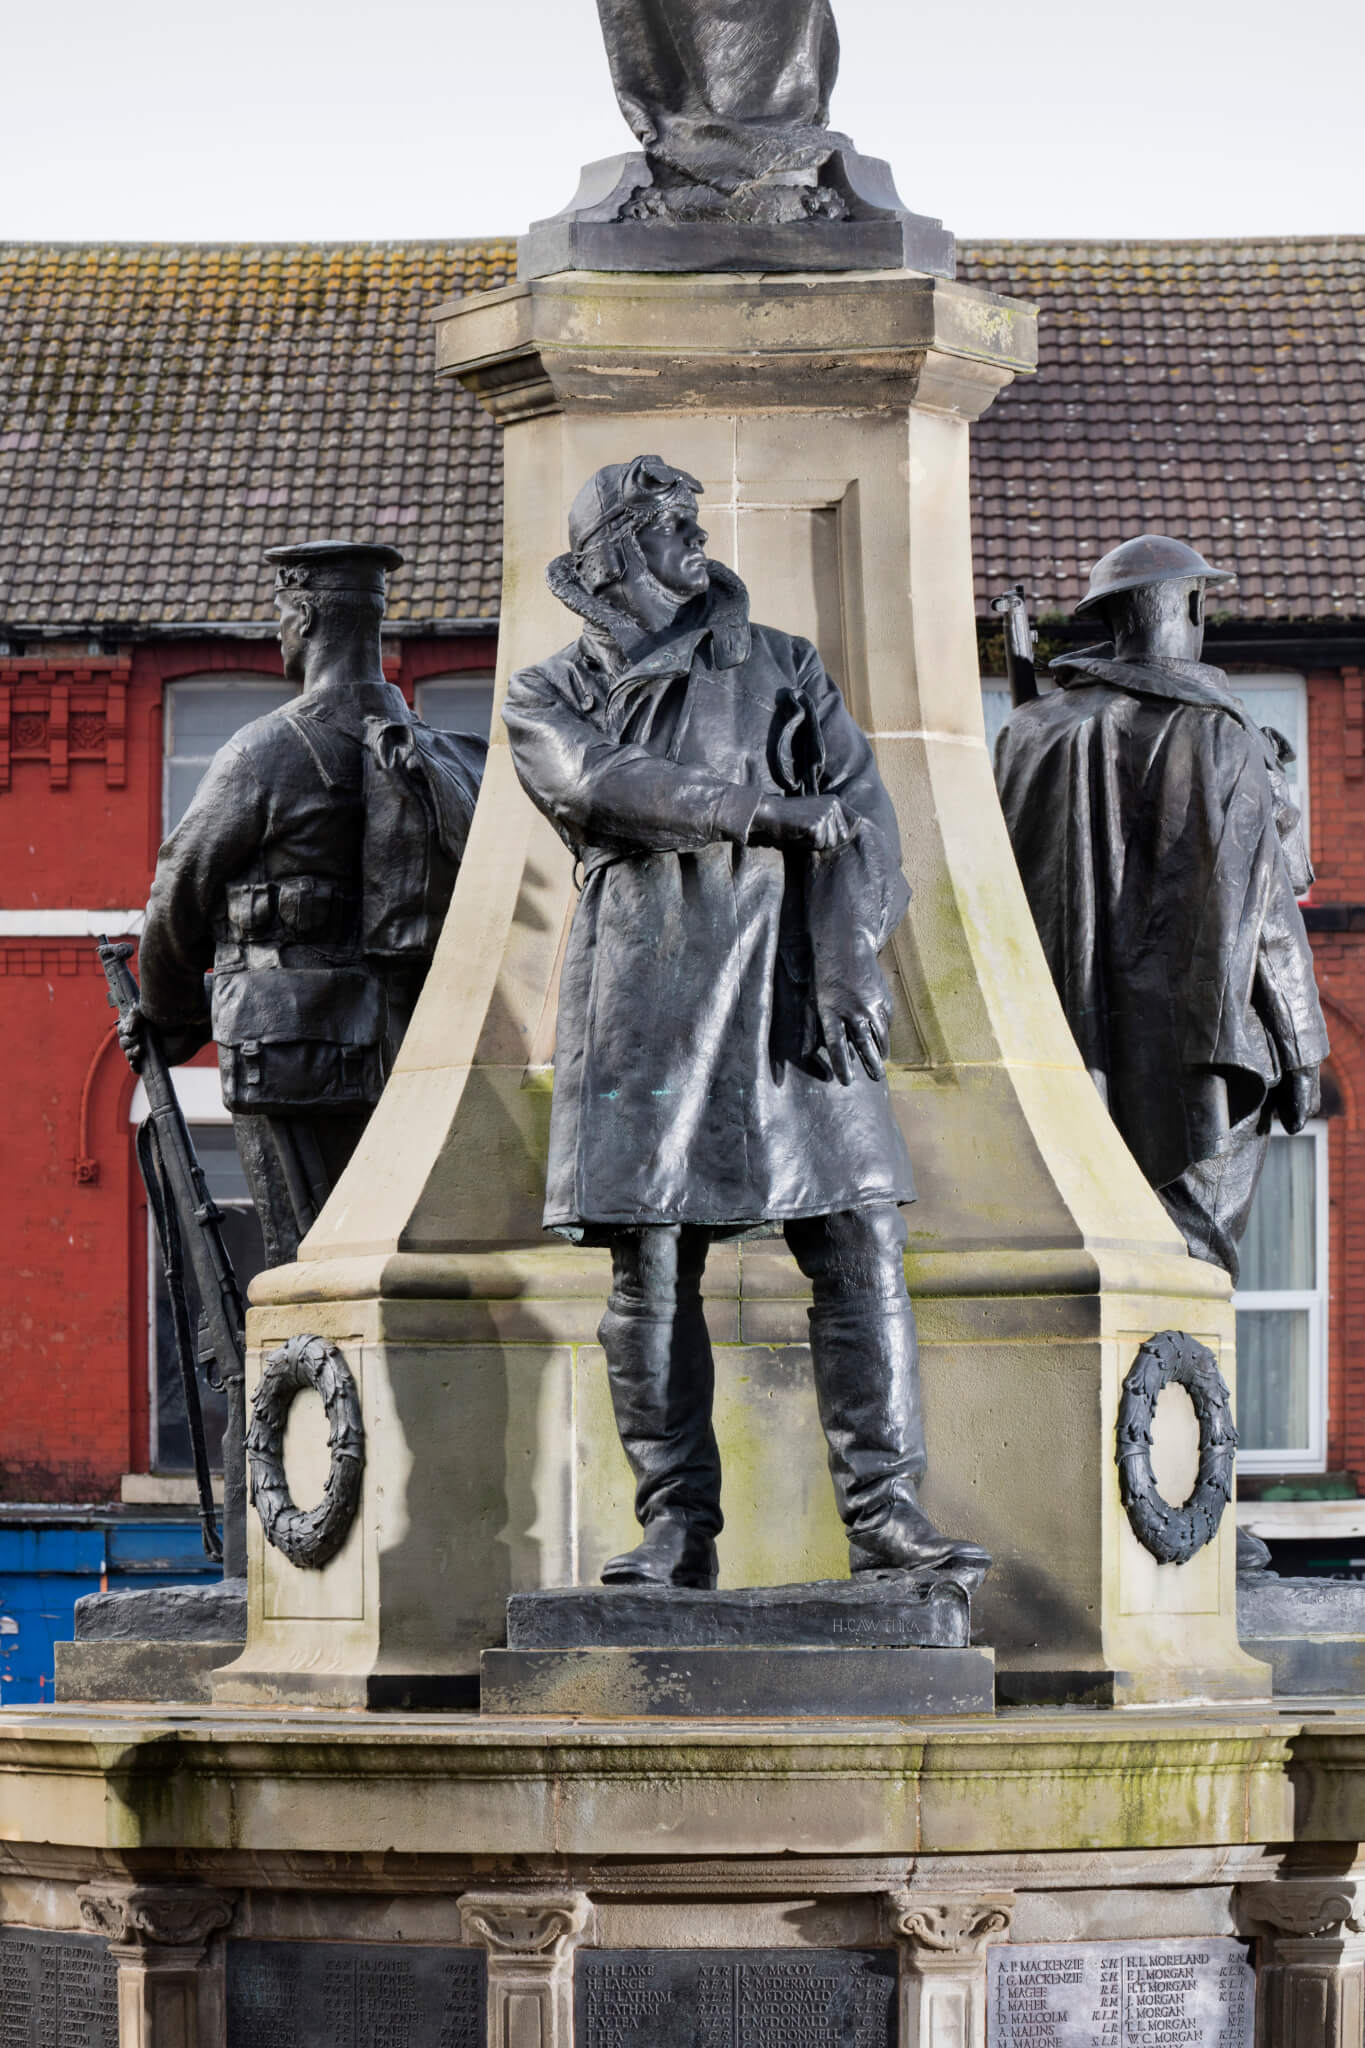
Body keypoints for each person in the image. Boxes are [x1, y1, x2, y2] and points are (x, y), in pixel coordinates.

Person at [503, 455, 988, 1591]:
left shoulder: (781, 666)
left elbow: (863, 823)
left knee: (861, 1235)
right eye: (657, 517)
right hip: (644, 993)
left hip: (787, 978)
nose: (689, 528)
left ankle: (888, 1515)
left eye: (690, 512)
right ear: (602, 557)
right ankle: (678, 1527)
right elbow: (597, 786)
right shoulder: (547, 690)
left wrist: (846, 961)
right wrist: (756, 809)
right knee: (651, 1261)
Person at [123, 541, 484, 1268]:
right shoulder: (440, 750)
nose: (277, 633)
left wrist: (169, 1018)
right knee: (394, 1254)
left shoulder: (265, 752)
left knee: (305, 1267)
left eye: (283, 613)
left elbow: (179, 889)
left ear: (309, 616)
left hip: (289, 1049)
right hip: (409, 1046)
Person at [994, 534, 1328, 1286]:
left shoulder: (1026, 732)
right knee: (1191, 1261)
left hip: (1062, 1046)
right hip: (1195, 1048)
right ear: (1192, 604)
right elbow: (1263, 912)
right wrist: (1302, 1047)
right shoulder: (1219, 729)